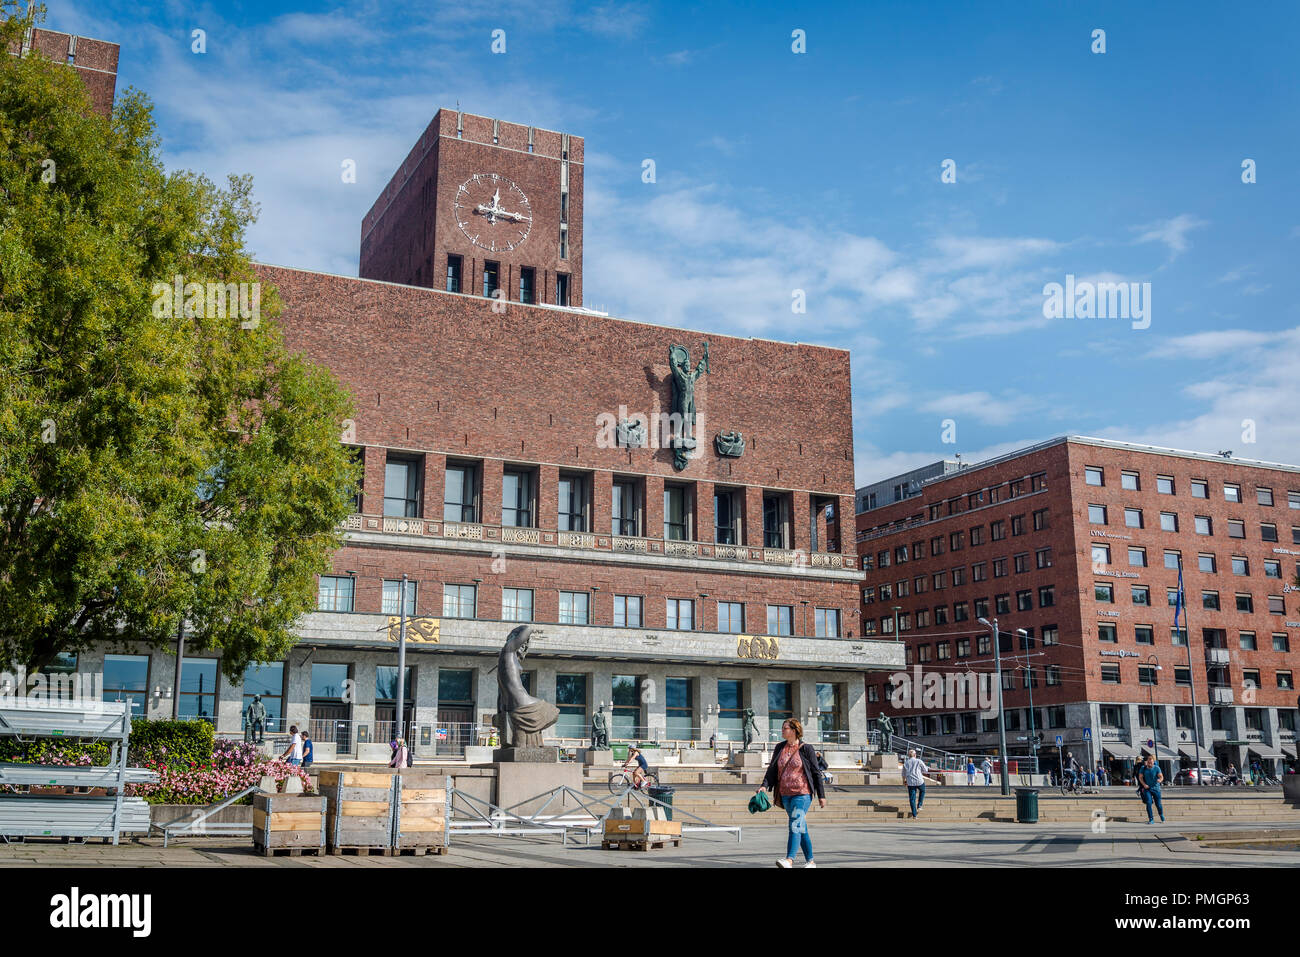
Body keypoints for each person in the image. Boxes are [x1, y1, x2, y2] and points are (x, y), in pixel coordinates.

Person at [756, 718, 825, 868]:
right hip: (785, 794)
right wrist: (764, 786)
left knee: (795, 824)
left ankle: (789, 859)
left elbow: (815, 773)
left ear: (794, 730)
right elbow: (772, 770)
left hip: (802, 794)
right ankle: (811, 861)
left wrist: (821, 795)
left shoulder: (806, 748)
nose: (782, 730)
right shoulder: (780, 747)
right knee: (800, 826)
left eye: (785, 728)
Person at [1136, 753, 1165, 824]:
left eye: (1151, 760)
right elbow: (1140, 777)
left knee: (1158, 804)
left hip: (1156, 788)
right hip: (1147, 788)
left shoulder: (1157, 768)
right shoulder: (1143, 768)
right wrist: (1144, 784)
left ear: (1153, 761)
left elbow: (1161, 777)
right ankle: (1151, 819)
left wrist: (1160, 780)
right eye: (1148, 759)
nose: (1149, 761)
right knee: (1148, 803)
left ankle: (1161, 814)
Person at [903, 748, 928, 818]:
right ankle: (919, 805)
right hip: (919, 780)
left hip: (910, 782)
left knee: (912, 798)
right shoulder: (919, 761)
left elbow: (903, 774)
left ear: (909, 755)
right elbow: (925, 770)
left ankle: (914, 815)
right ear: (914, 755)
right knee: (922, 790)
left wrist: (904, 781)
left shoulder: (906, 763)